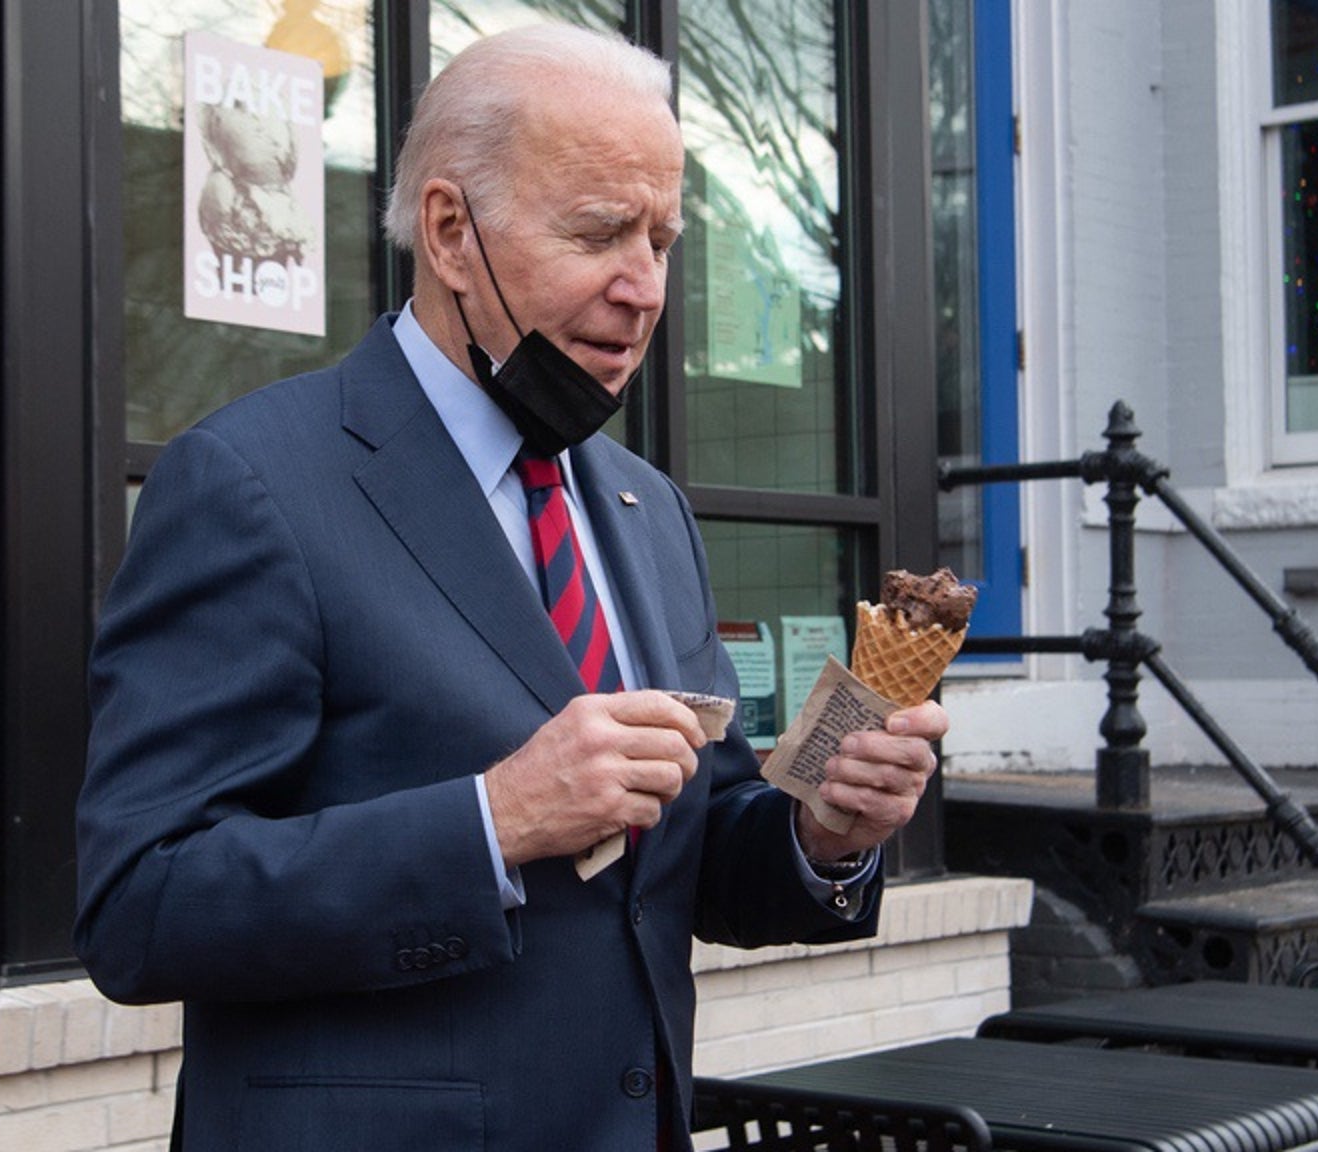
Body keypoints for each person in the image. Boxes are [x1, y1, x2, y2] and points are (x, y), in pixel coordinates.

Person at [74, 23, 947, 1151]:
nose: (644, 289)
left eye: (663, 239)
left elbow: (686, 861)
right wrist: (491, 823)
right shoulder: (252, 482)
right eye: (597, 234)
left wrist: (823, 833)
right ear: (448, 231)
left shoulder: (646, 508)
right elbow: (139, 908)